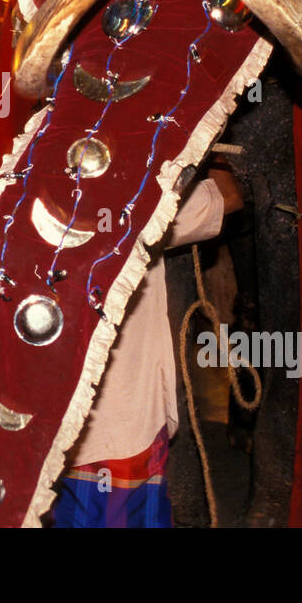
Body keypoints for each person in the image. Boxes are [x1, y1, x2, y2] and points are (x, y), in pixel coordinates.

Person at [53, 165, 244, 528]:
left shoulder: (41, 198)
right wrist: (210, 145)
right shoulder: (133, 207)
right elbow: (229, 196)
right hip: (122, 424)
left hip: (64, 423)